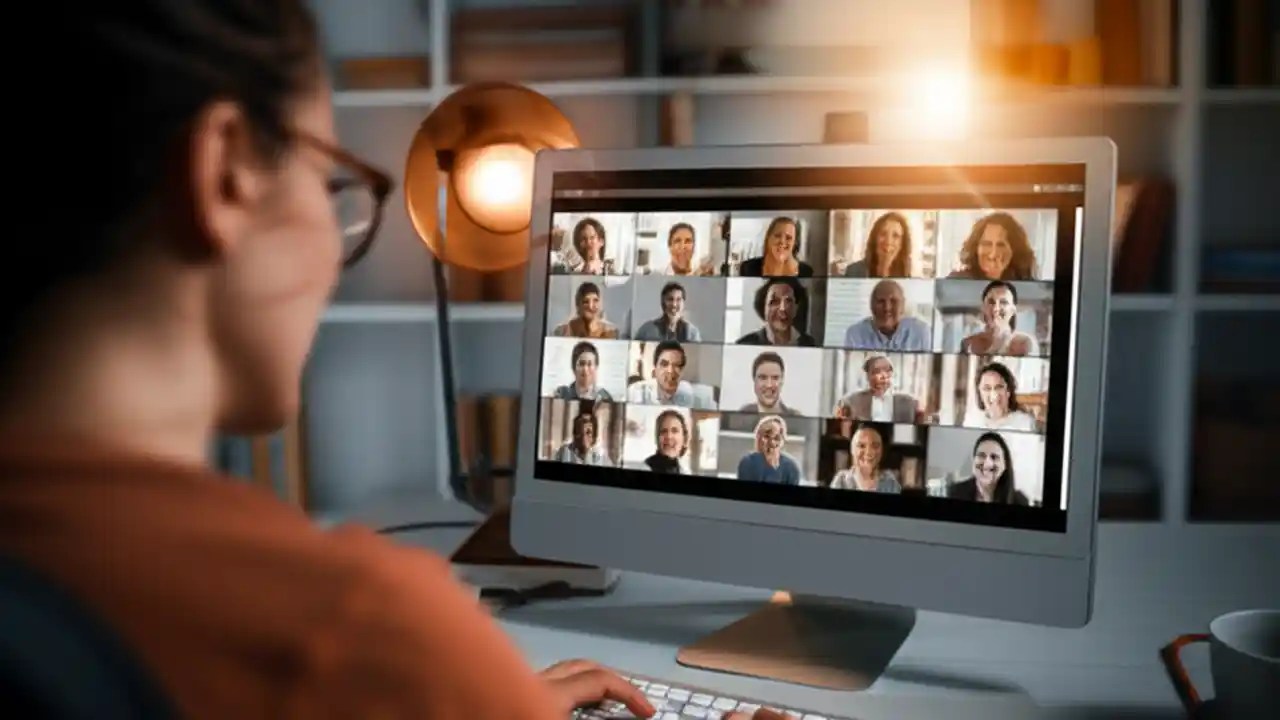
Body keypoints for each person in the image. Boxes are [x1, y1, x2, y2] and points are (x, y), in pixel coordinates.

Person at [0, 4, 783, 720]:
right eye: (331, 183)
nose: (338, 246)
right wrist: (442, 685)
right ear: (226, 172)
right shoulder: (350, 635)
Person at [842, 279, 932, 352]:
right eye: (881, 301)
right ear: (871, 305)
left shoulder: (920, 331)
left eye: (893, 301)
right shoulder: (855, 333)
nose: (887, 308)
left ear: (903, 305)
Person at [832, 354, 923, 423]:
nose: (883, 376)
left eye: (887, 370)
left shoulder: (910, 402)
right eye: (876, 371)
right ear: (868, 376)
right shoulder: (851, 401)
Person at [947, 212, 1038, 280]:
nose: (993, 254)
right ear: (976, 248)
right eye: (987, 244)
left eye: (1001, 245)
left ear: (1014, 250)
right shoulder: (957, 282)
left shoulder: (1027, 285)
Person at [959, 280, 1040, 356]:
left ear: (1013, 310)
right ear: (983, 307)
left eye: (1003, 302)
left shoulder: (1025, 343)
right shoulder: (968, 343)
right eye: (991, 302)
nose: (995, 309)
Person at [947, 432, 1030, 505]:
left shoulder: (1020, 501)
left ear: (1005, 465)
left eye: (994, 457)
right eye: (981, 455)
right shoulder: (954, 492)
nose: (987, 463)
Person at [735, 277, 819, 346]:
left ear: (796, 307)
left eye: (788, 301)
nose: (783, 308)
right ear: (763, 307)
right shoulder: (745, 344)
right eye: (774, 301)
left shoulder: (809, 344)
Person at [963, 361, 1038, 431]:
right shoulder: (971, 422)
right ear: (980, 393)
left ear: (1008, 391)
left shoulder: (1025, 423)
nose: (994, 394)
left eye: (999, 387)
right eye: (987, 388)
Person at [829, 423, 901, 492]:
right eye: (861, 446)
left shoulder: (891, 483)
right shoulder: (841, 480)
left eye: (875, 446)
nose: (868, 452)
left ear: (882, 450)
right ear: (852, 449)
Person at [738, 216, 815, 277]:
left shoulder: (806, 271)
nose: (782, 241)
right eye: (777, 236)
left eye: (788, 238)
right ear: (768, 238)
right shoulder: (748, 268)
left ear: (795, 243)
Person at [844, 211, 913, 278]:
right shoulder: (853, 272)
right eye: (883, 234)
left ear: (902, 244)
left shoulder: (907, 274)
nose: (888, 241)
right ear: (874, 239)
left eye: (895, 236)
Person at [736, 416, 801, 485]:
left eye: (777, 438)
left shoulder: (791, 466)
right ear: (759, 438)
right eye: (767, 436)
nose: (772, 442)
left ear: (782, 440)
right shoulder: (747, 462)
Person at [633, 281, 703, 342]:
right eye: (670, 299)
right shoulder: (647, 330)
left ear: (683, 303)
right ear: (663, 303)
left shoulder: (692, 332)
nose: (674, 304)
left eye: (678, 299)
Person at [551, 281, 621, 339]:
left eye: (595, 301)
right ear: (577, 304)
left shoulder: (611, 332)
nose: (591, 307)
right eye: (585, 302)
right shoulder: (562, 331)